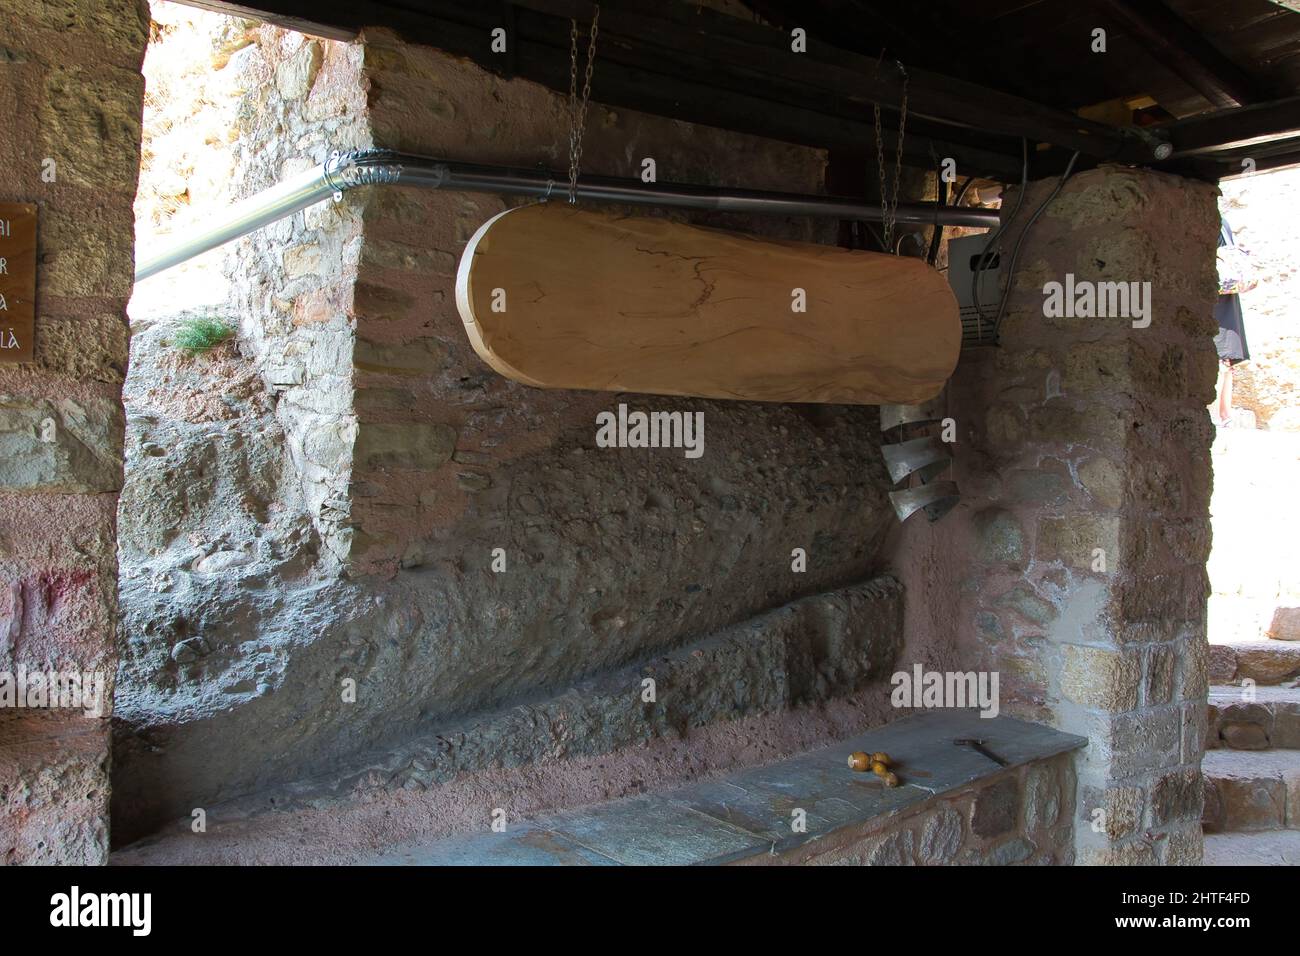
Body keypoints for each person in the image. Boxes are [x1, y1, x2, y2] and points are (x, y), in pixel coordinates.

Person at [1211, 218, 1251, 427]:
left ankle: (1217, 416)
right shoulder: (1223, 222)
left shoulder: (1212, 221)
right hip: (1227, 291)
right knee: (1225, 359)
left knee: (1220, 356)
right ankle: (1224, 414)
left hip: (1217, 291)